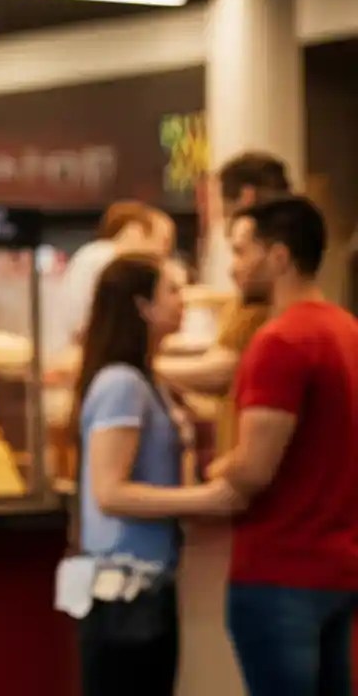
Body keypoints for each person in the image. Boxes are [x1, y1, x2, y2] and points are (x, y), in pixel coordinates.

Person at [64, 254, 244, 696]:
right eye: (172, 290)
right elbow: (110, 491)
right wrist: (205, 499)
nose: (183, 301)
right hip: (125, 591)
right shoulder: (122, 385)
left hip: (148, 588)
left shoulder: (149, 382)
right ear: (142, 305)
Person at [211, 195, 358, 695]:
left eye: (240, 251)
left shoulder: (280, 341)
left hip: (280, 572)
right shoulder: (348, 331)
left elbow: (253, 469)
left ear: (277, 257)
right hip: (340, 569)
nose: (233, 268)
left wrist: (216, 467)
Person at [156, 152, 292, 456]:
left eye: (240, 252)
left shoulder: (267, 303)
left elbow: (224, 370)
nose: (233, 268)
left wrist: (140, 367)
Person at [50, 201, 175, 381]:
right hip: (78, 367)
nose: (164, 254)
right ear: (136, 231)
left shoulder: (98, 256)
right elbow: (85, 329)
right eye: (164, 242)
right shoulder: (105, 260)